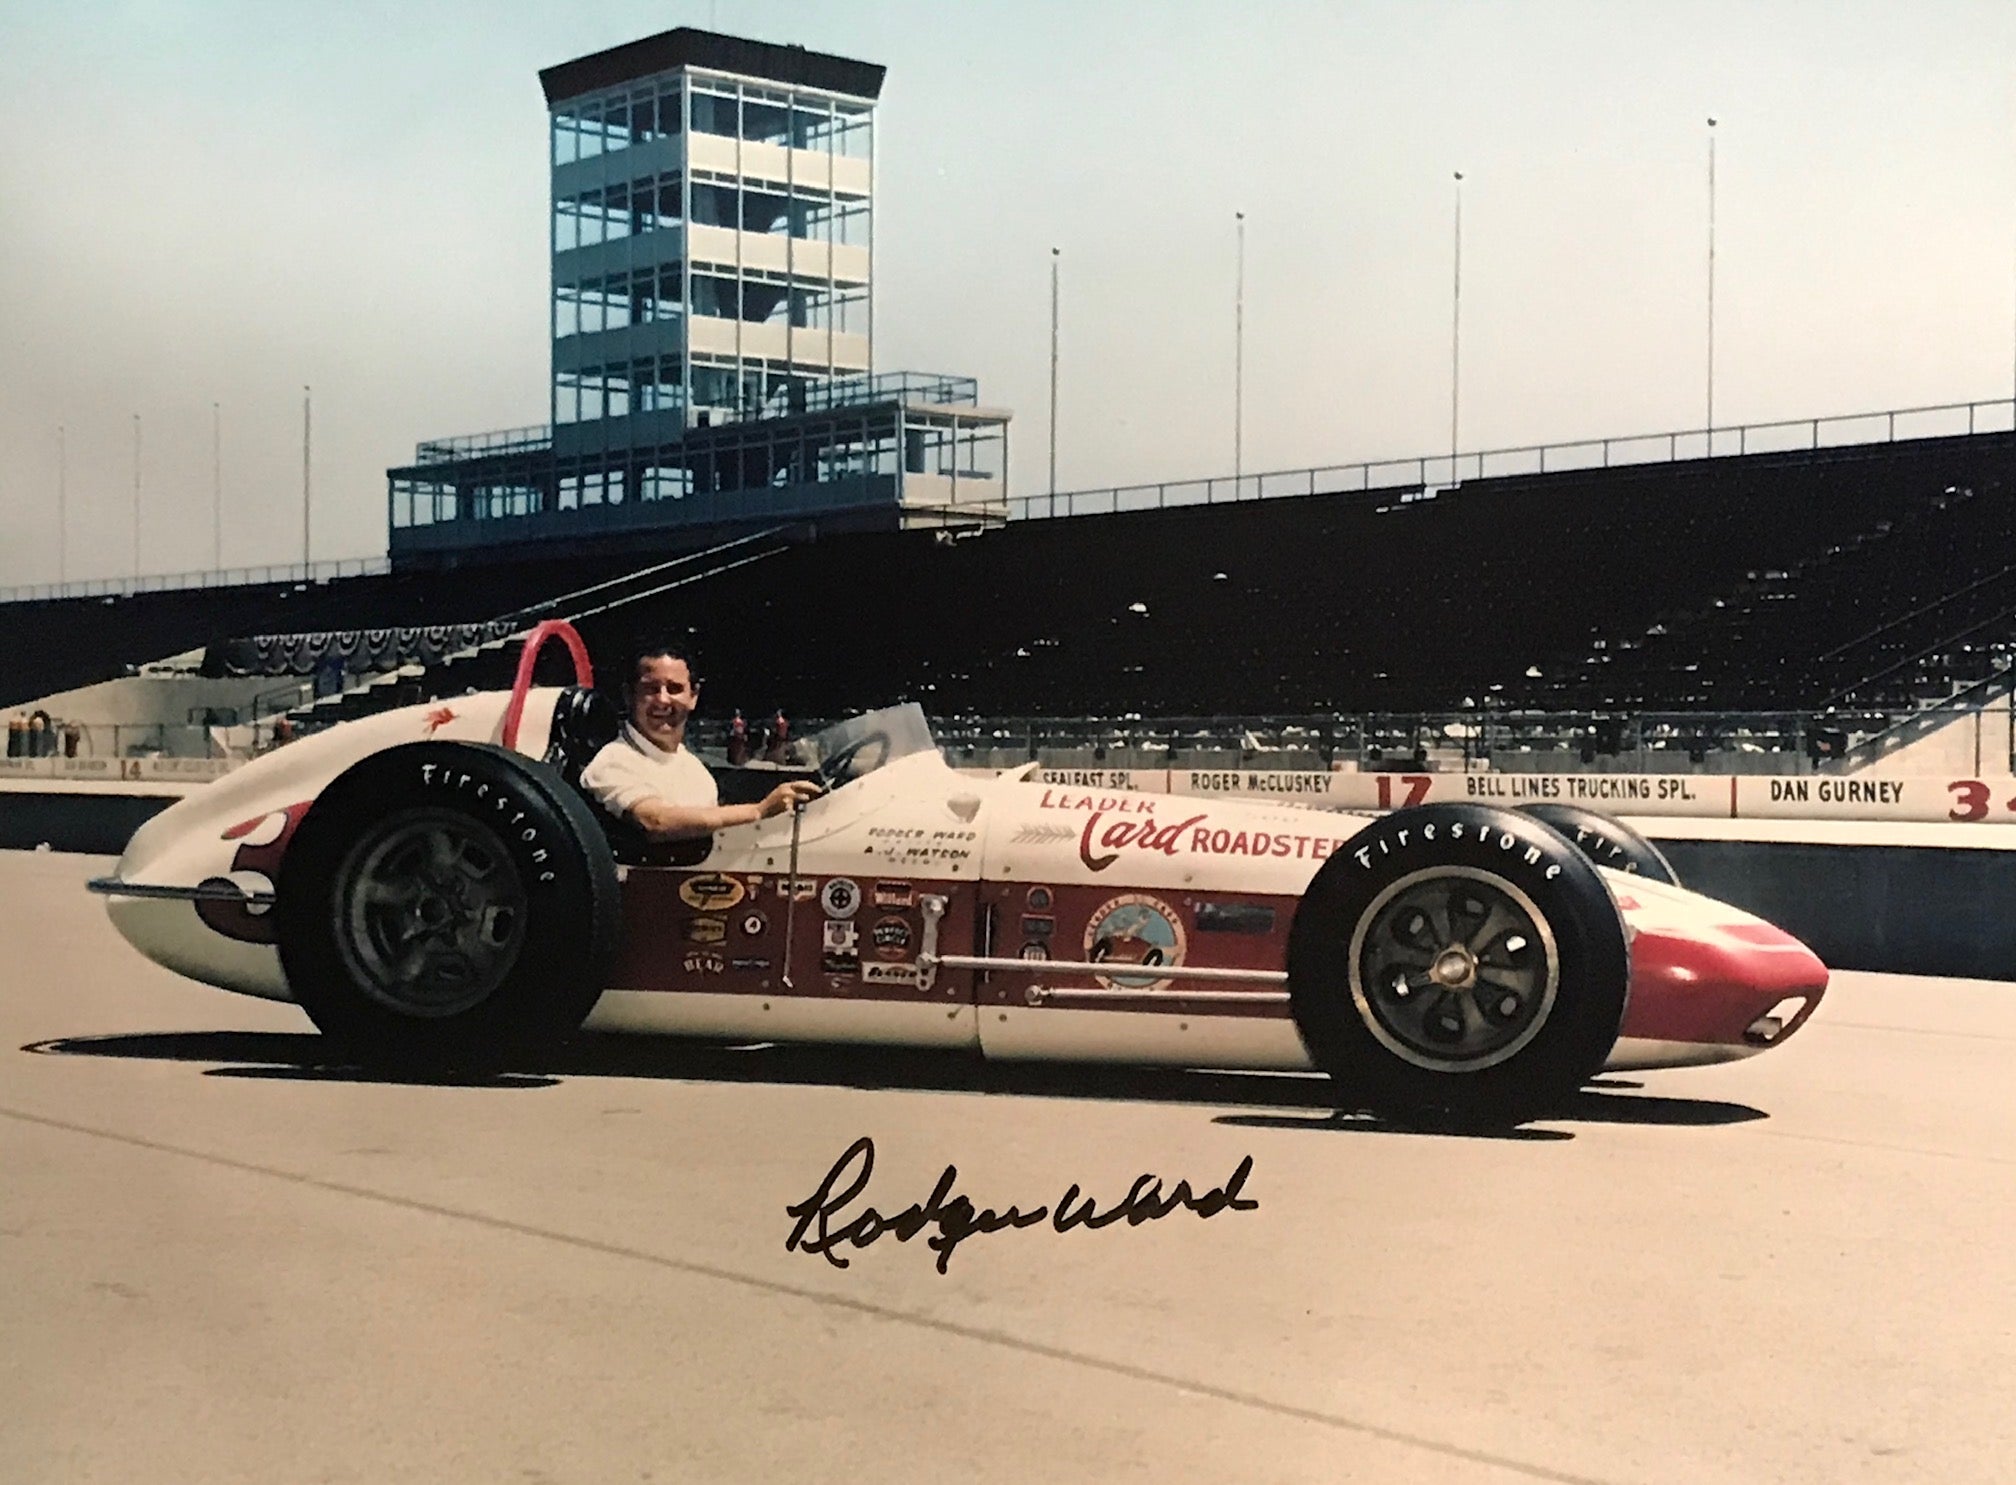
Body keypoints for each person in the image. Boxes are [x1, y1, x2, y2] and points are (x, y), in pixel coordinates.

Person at [580, 640, 818, 842]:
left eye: (674, 689)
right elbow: (655, 821)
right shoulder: (612, 761)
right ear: (629, 695)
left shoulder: (695, 770)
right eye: (651, 689)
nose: (663, 700)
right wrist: (759, 811)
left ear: (693, 696)